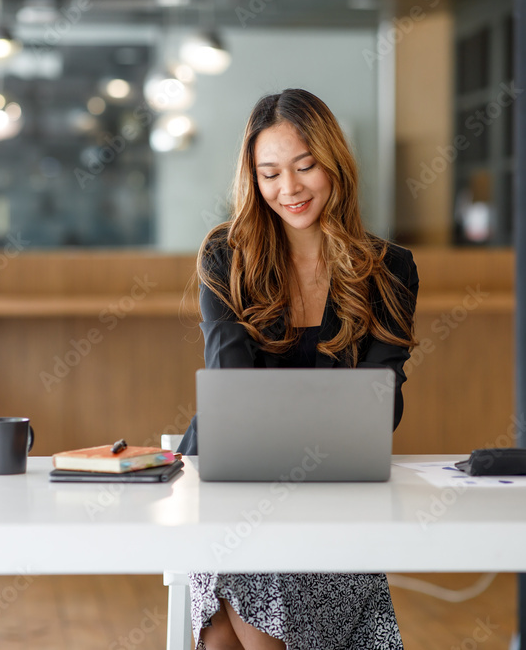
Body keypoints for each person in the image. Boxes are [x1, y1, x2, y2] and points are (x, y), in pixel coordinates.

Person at [177, 88, 419, 650]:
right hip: (232, 492)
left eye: (305, 167)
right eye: (269, 174)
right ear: (253, 180)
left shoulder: (388, 270)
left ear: (334, 163)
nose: (289, 189)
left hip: (333, 498)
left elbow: (384, 405)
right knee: (237, 591)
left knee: (232, 628)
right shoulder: (226, 257)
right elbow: (231, 390)